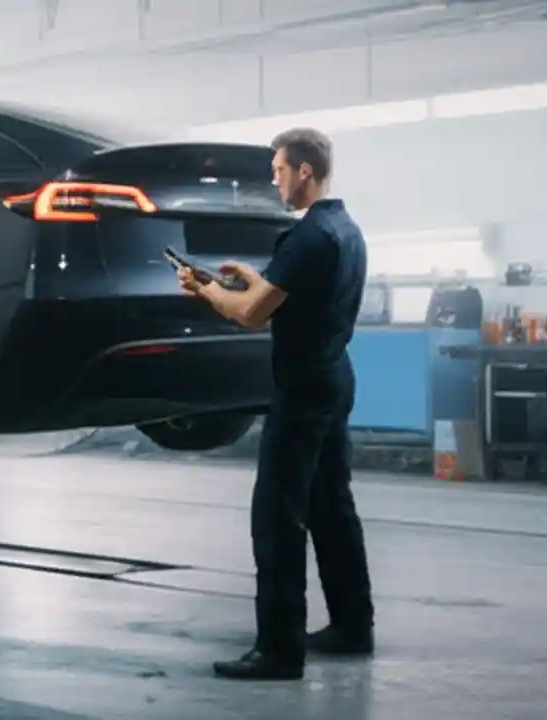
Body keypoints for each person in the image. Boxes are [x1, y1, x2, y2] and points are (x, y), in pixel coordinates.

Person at [177, 127, 376, 681]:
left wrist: (205, 290)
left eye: (279, 171)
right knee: (332, 507)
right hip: (336, 375)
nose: (276, 181)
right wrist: (252, 280)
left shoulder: (308, 237)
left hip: (303, 387)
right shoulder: (346, 230)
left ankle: (279, 650)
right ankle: (353, 625)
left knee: (277, 517)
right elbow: (288, 297)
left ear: (304, 172)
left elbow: (252, 314)